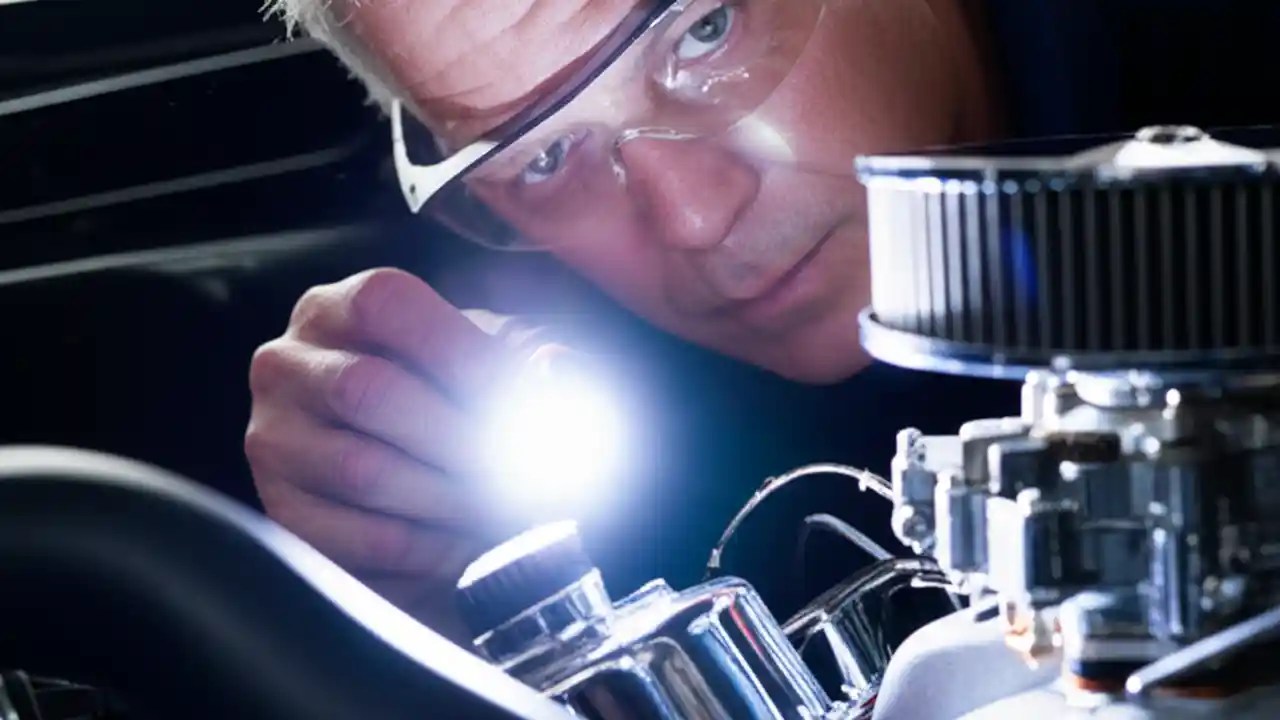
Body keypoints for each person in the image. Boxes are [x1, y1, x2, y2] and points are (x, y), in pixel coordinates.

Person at [245, 0, 1280, 641]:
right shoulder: (538, 385)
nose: (692, 219)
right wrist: (439, 628)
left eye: (706, 27)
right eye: (547, 155)